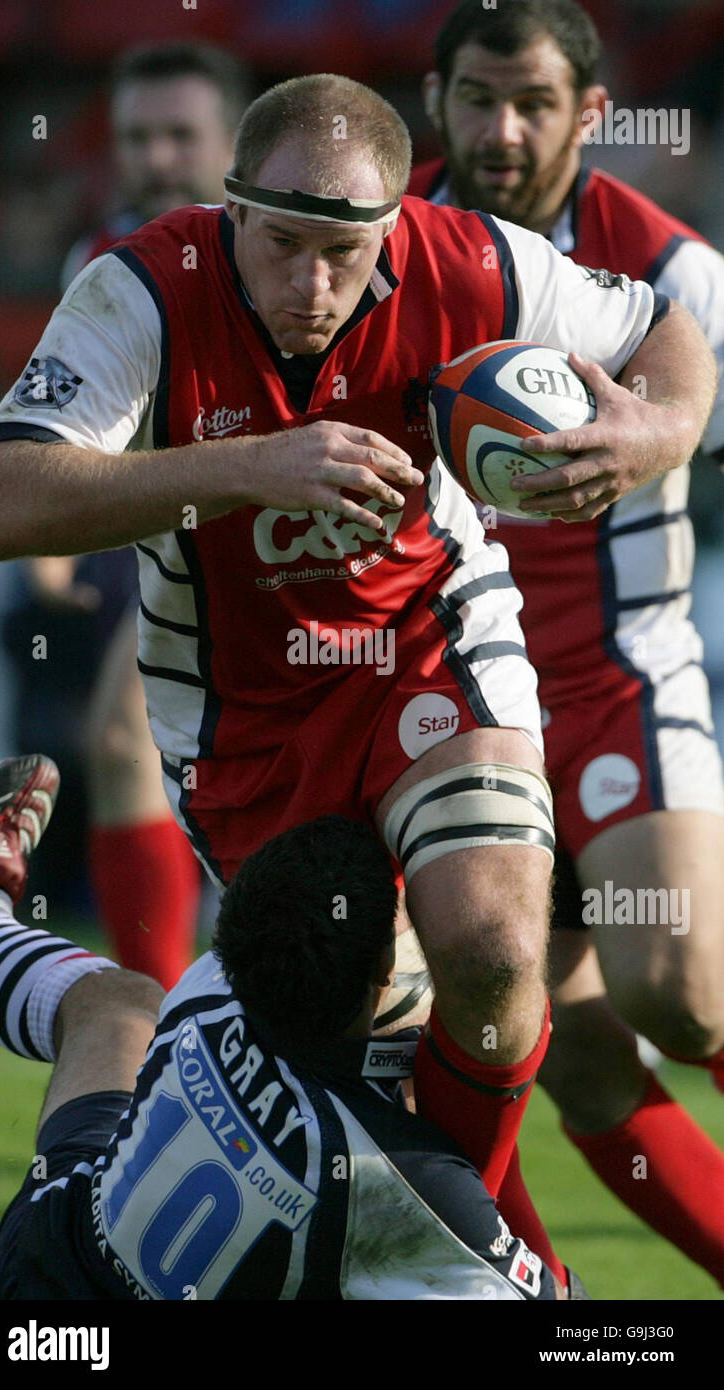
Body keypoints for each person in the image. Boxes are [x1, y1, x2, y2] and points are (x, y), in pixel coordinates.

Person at [0, 72, 716, 1212]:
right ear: (233, 210)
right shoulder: (139, 289)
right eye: (284, 245)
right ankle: (469, 1255)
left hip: (432, 643)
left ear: (391, 228)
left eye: (346, 253)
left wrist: (651, 433)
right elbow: (1, 501)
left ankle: (471, 1266)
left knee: (499, 950)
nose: (314, 284)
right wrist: (247, 464)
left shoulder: (471, 259)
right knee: (351, 1034)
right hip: (241, 706)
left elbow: (665, 324)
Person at [409, 0, 724, 1285]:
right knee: (536, 1034)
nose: (500, 129)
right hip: (441, 684)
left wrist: (656, 432)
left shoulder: (674, 274)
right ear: (435, 98)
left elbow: (692, 395)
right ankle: (535, 1304)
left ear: (591, 113)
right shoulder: (383, 246)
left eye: (531, 103)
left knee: (680, 992)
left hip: (613, 671)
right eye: (476, 98)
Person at [0, 754, 566, 1300]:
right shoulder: (401, 1179)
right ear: (384, 969)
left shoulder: (211, 987)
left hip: (54, 1248)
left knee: (116, 1005)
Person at [21, 43, 253, 988]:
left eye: (180, 134)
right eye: (135, 137)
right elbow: (72, 415)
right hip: (187, 545)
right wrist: (49, 538)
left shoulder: (286, 244)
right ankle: (157, 1016)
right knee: (122, 743)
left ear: (237, 139)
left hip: (316, 541)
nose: (156, 156)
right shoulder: (103, 257)